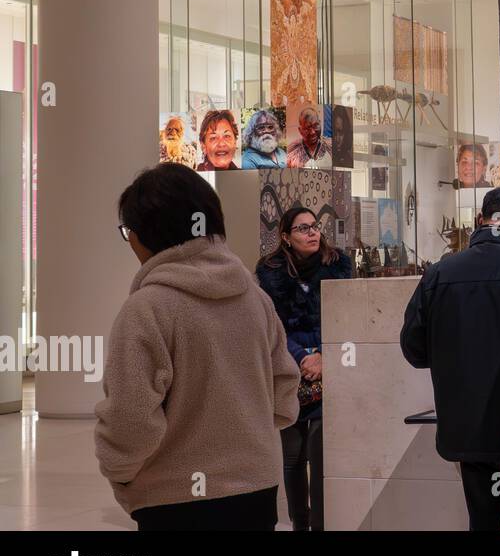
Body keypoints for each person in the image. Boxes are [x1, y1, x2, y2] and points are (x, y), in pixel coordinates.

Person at [95, 163, 300, 530]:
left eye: (129, 232)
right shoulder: (255, 299)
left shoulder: (147, 310)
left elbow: (131, 420)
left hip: (173, 501)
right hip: (257, 494)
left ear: (145, 235)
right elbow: (285, 395)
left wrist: (121, 475)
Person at [398, 187, 500, 530]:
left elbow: (414, 348)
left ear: (481, 220)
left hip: (466, 428)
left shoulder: (439, 273)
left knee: (484, 518)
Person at [255, 207, 354, 531]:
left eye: (314, 227)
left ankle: (322, 523)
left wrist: (325, 356)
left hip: (330, 367)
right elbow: (274, 326)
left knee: (321, 451)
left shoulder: (337, 265)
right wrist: (301, 358)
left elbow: (347, 317)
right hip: (289, 367)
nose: (312, 233)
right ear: (285, 236)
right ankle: (301, 521)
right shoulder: (271, 273)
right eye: (302, 229)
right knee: (293, 456)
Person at [286, 104, 331, 168]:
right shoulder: (291, 153)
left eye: (315, 126)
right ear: (300, 130)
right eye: (307, 128)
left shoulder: (331, 147)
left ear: (320, 123)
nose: (312, 132)